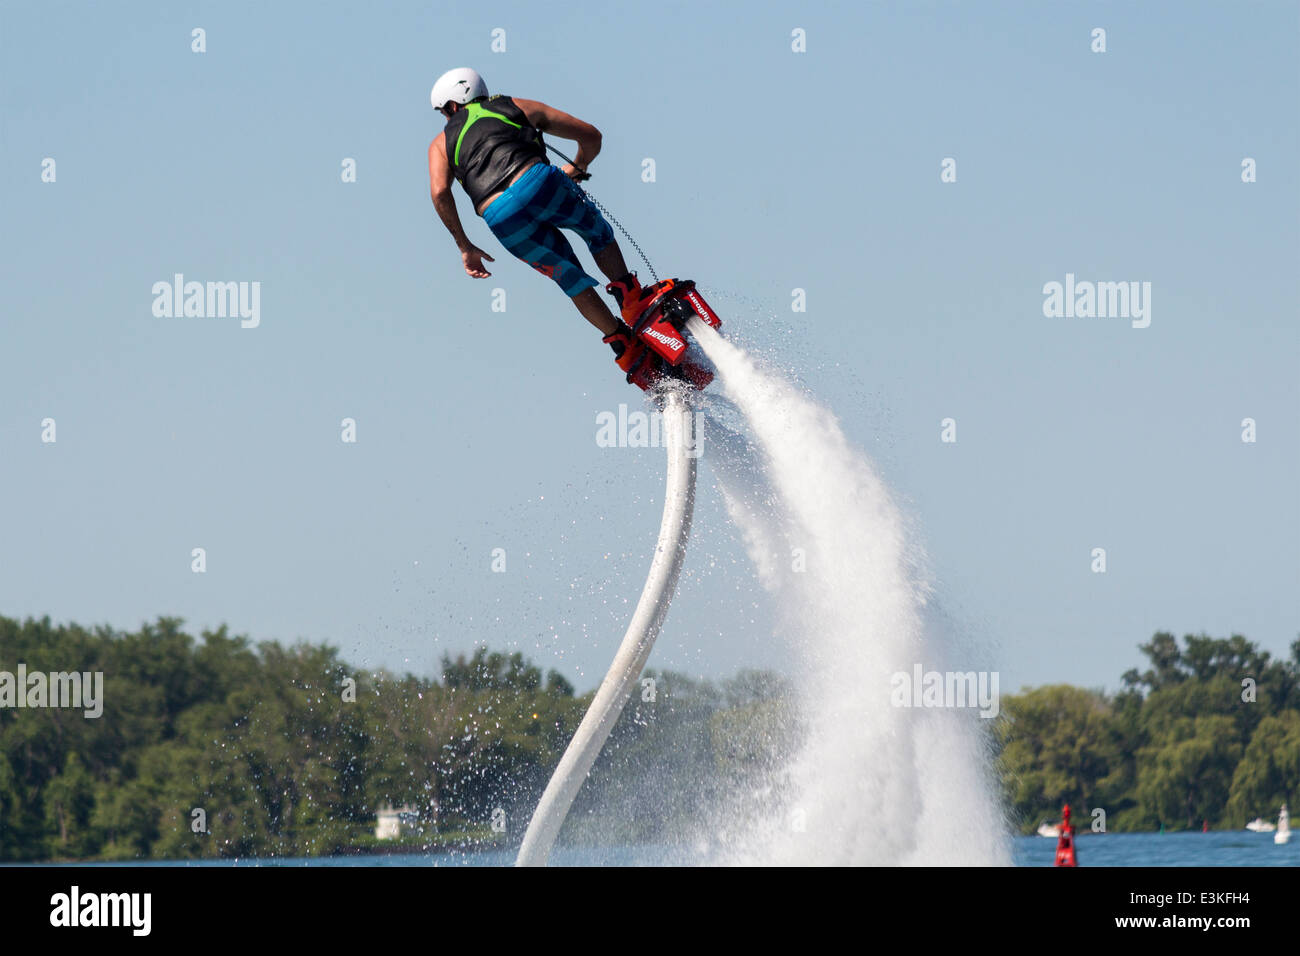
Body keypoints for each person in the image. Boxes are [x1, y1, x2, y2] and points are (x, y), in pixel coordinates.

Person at [427, 67, 664, 384]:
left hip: (499, 215)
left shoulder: (440, 145)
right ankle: (633, 300)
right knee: (595, 231)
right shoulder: (516, 106)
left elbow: (440, 192)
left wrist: (464, 245)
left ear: (454, 105)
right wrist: (578, 167)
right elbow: (591, 135)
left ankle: (624, 346)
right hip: (537, 182)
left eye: (444, 112)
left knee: (570, 279)